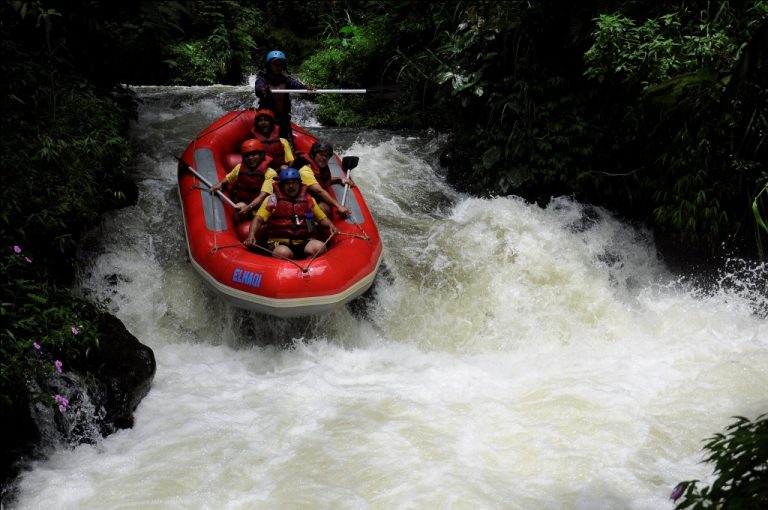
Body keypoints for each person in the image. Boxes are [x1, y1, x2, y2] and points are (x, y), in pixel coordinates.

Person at [244, 167, 338, 260]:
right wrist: (251, 234)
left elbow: (322, 218)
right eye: (287, 183)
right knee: (283, 253)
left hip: (303, 241)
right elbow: (258, 219)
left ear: (299, 184)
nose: (291, 186)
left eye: (294, 183)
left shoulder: (309, 199)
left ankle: (306, 265)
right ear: (281, 185)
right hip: (279, 243)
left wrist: (331, 226)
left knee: (320, 247)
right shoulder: (272, 200)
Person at [254, 50, 314, 144]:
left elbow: (298, 86)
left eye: (281, 64)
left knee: (289, 145)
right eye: (275, 64)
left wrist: (307, 88)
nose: (278, 67)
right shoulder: (262, 80)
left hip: (283, 118)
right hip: (267, 119)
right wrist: (263, 91)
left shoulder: (286, 80)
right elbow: (258, 89)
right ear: (269, 65)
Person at [209, 139, 272, 221]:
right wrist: (220, 184)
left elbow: (262, 196)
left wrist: (248, 207)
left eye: (254, 154)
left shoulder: (270, 173)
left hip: (258, 209)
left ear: (261, 155)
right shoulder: (239, 168)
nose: (250, 158)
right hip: (242, 204)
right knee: (240, 205)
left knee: (241, 205)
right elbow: (228, 178)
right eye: (247, 155)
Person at [295, 140, 353, 217]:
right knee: (325, 209)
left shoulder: (318, 165)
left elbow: (321, 180)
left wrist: (339, 179)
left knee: (326, 207)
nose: (324, 158)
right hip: (298, 200)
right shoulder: (304, 169)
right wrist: (339, 206)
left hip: (312, 195)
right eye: (321, 155)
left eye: (327, 156)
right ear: (313, 154)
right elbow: (319, 191)